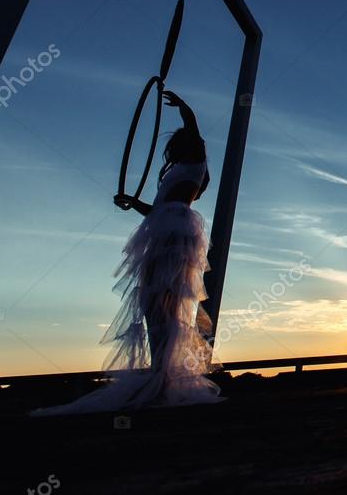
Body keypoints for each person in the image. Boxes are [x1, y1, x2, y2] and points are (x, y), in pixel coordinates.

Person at [33, 90, 222, 415]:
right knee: (155, 302)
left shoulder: (195, 162)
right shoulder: (182, 170)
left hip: (173, 232)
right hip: (166, 227)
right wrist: (134, 203)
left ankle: (164, 377)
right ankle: (162, 373)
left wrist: (184, 108)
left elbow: (194, 132)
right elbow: (159, 208)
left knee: (162, 301)